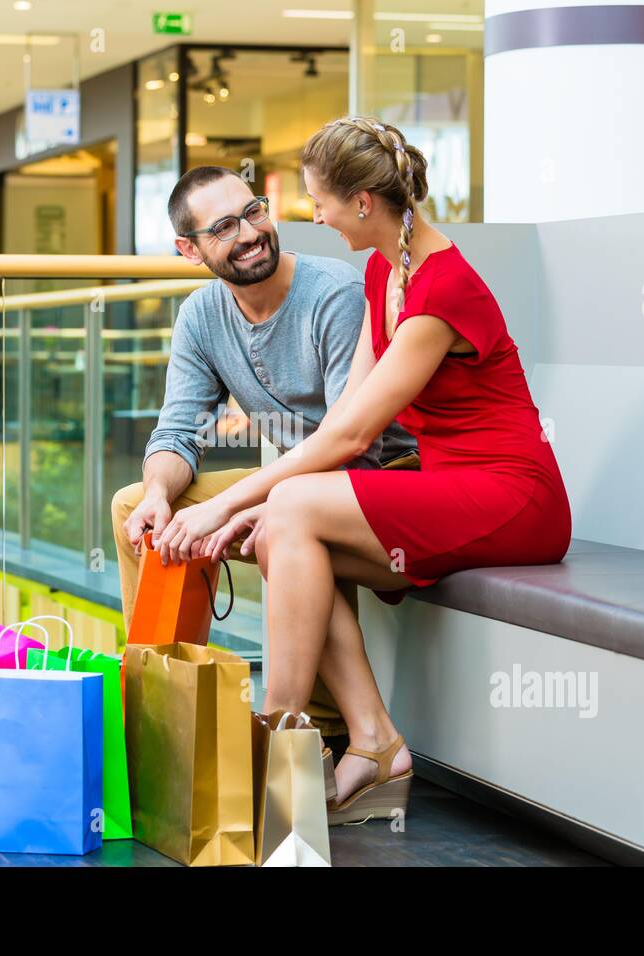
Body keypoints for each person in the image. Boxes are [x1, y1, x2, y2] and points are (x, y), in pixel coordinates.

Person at [157, 118, 572, 825]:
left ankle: (275, 746)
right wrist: (251, 510)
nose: (310, 217)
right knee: (287, 531)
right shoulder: (386, 271)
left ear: (361, 204)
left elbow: (351, 434)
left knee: (285, 513)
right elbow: (345, 410)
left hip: (513, 496)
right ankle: (374, 742)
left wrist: (222, 507)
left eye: (318, 201)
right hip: (449, 485)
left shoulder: (444, 289)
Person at [110, 165, 419, 733]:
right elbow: (179, 431)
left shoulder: (335, 295)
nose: (251, 232)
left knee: (289, 516)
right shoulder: (201, 317)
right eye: (225, 226)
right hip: (299, 480)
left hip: (387, 477)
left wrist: (245, 505)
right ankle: (166, 723)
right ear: (190, 248)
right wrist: (160, 491)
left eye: (254, 211)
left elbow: (356, 447)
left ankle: (317, 728)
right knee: (136, 508)